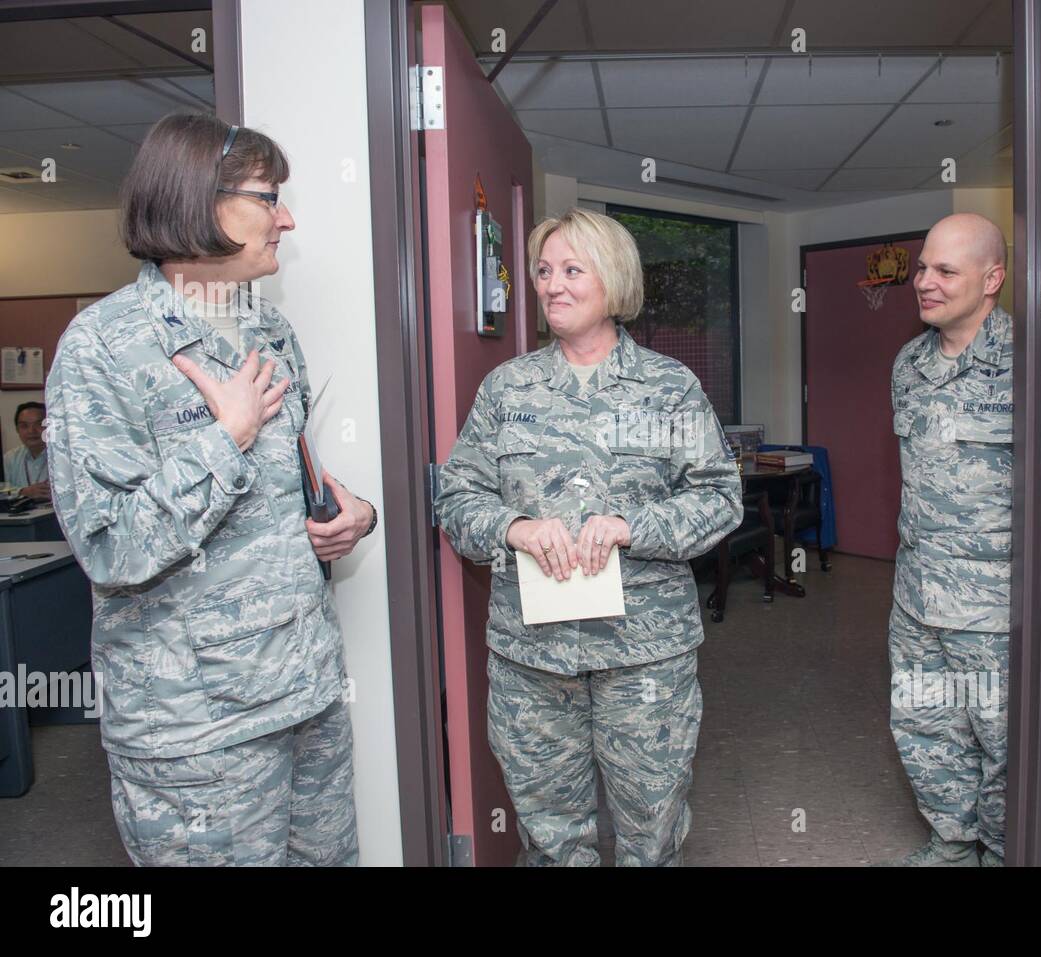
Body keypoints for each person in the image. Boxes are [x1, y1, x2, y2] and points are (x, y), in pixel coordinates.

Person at [45, 113, 378, 866]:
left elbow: (289, 489)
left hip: (305, 691)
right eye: (270, 197)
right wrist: (221, 439)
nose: (286, 217)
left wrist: (352, 512)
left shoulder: (267, 332)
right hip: (198, 733)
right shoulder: (103, 348)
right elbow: (110, 547)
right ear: (200, 200)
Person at [434, 207, 742, 866]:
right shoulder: (506, 390)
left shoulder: (668, 389)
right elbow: (456, 499)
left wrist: (636, 526)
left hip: (645, 654)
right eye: (544, 271)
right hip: (532, 656)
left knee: (650, 826)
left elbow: (720, 498)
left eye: (572, 269)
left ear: (613, 279)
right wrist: (513, 526)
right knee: (548, 835)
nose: (553, 285)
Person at [886, 213, 1012, 867]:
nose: (924, 282)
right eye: (922, 267)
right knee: (925, 726)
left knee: (1001, 738)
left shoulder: (1029, 364)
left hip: (992, 606)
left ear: (992, 278)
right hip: (915, 596)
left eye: (945, 271)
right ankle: (954, 841)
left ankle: (1000, 848)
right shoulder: (909, 361)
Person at [5, 401, 50, 500]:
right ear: (17, 430)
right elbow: (1, 491)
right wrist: (22, 492)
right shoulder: (10, 458)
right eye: (24, 426)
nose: (31, 431)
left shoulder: (66, 456)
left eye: (39, 424)